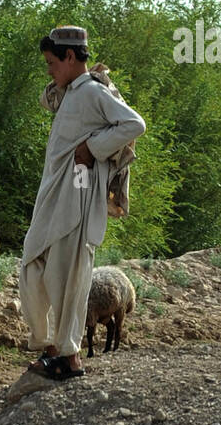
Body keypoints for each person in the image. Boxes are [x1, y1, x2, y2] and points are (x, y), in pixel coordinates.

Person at [18, 27, 146, 383]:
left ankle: (68, 358)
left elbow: (134, 124)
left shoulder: (90, 92)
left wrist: (93, 149)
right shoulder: (71, 92)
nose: (49, 70)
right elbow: (47, 98)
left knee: (70, 278)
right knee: (34, 266)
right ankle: (50, 349)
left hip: (76, 201)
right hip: (55, 199)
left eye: (52, 62)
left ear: (70, 57)